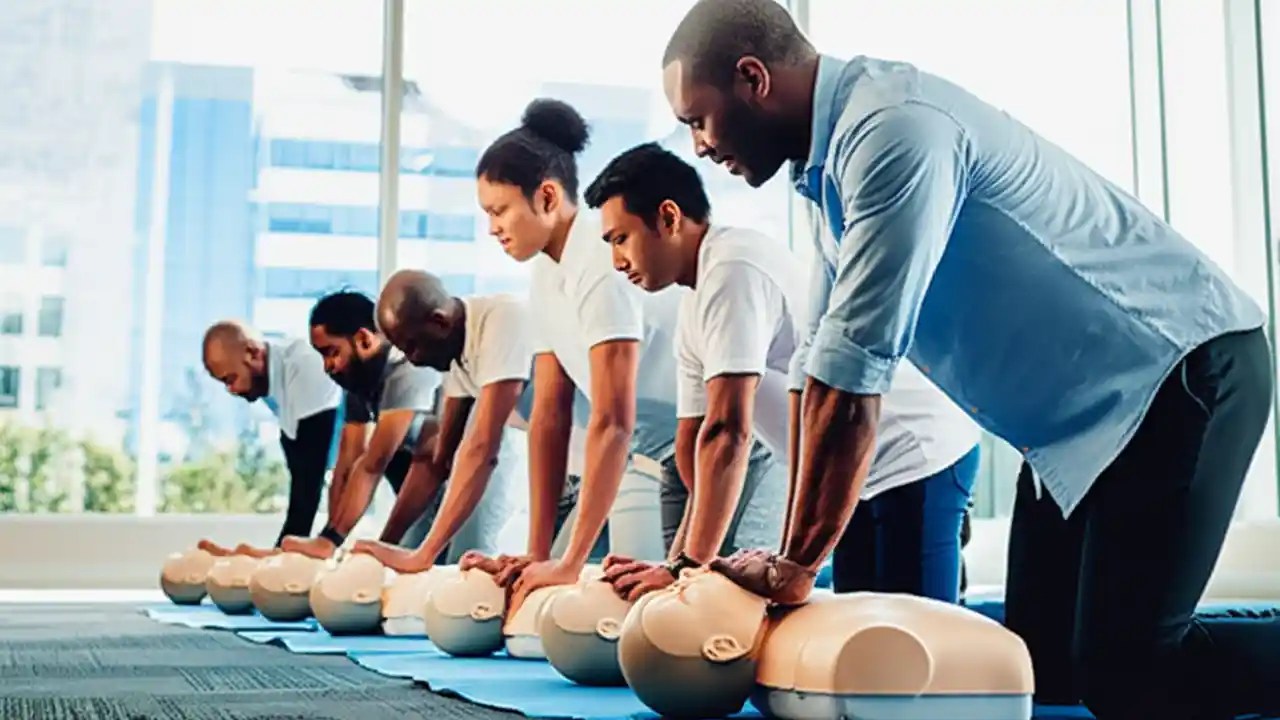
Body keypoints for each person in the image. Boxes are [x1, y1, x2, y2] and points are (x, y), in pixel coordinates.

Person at [660, 1, 1280, 718]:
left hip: (1177, 372)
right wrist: (788, 557)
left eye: (697, 120)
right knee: (1037, 666)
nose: (699, 146)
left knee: (1128, 673)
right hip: (1068, 426)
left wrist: (797, 566)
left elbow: (856, 373)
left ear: (752, 78)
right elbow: (812, 373)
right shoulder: (826, 174)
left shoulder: (894, 129)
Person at [584, 142, 979, 603]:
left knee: (916, 639)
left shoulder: (732, 266)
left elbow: (729, 432)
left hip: (914, 451)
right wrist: (677, 567)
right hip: (843, 473)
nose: (617, 261)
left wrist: (686, 569)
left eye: (620, 239)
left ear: (668, 218)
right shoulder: (693, 301)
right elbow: (696, 446)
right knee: (861, 642)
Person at [467, 98, 785, 610]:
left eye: (498, 210)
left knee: (716, 607)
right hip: (679, 454)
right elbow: (549, 417)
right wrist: (537, 553)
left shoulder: (597, 258)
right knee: (673, 610)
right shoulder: (547, 275)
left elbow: (614, 421)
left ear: (547, 197)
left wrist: (569, 563)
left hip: (746, 447)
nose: (493, 227)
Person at [348, 269, 524, 571]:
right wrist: (386, 547)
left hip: (607, 459)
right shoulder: (454, 350)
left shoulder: (502, 318)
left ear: (439, 322)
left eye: (412, 346)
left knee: (464, 568)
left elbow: (482, 448)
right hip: (570, 469)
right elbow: (439, 459)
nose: (413, 360)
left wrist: (424, 553)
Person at [280, 290, 444, 560]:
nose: (327, 366)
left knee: (460, 568)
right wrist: (328, 541)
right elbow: (349, 461)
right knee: (407, 568)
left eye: (331, 352)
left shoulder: (407, 369)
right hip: (427, 482)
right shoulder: (358, 379)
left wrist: (338, 541)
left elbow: (373, 463)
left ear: (364, 339)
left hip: (481, 466)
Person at [198, 320, 342, 553]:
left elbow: (309, 479)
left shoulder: (305, 366)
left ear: (253, 353)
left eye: (230, 379)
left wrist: (277, 561)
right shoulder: (271, 383)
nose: (231, 390)